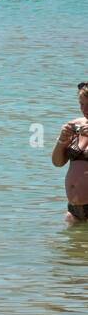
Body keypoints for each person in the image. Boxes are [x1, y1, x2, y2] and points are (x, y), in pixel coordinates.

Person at [52, 82, 88, 224]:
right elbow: (58, 162)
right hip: (74, 209)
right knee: (72, 245)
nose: (84, 109)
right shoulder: (75, 125)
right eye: (81, 104)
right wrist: (62, 140)